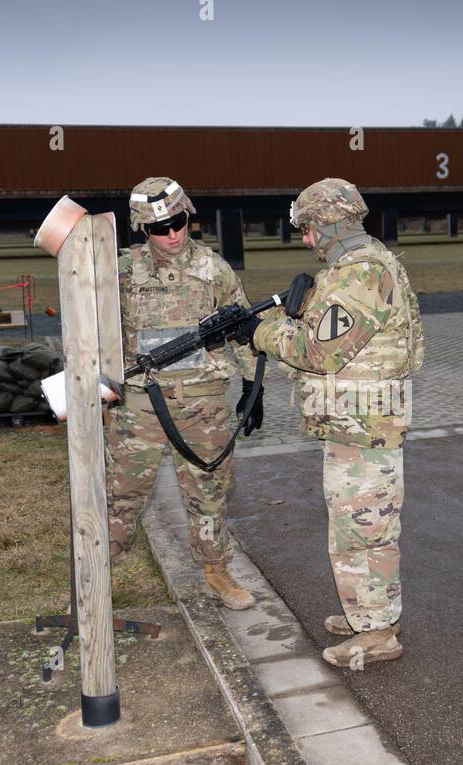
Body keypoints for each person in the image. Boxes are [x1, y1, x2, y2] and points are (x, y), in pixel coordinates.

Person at [235, 178, 424, 667]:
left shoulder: (360, 272)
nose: (305, 239)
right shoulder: (361, 265)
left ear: (327, 223)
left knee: (363, 530)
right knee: (360, 527)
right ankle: (371, 612)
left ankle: (377, 633)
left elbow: (317, 350)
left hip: (364, 428)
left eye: (307, 229)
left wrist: (262, 333)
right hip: (356, 424)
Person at [108, 177, 264, 610]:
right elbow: (94, 331)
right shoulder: (119, 272)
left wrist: (253, 386)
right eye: (161, 229)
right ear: (143, 229)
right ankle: (95, 579)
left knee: (209, 491)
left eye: (178, 223)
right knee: (122, 494)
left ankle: (217, 572)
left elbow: (243, 332)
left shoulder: (215, 270)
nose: (173, 235)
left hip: (203, 406)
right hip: (140, 406)